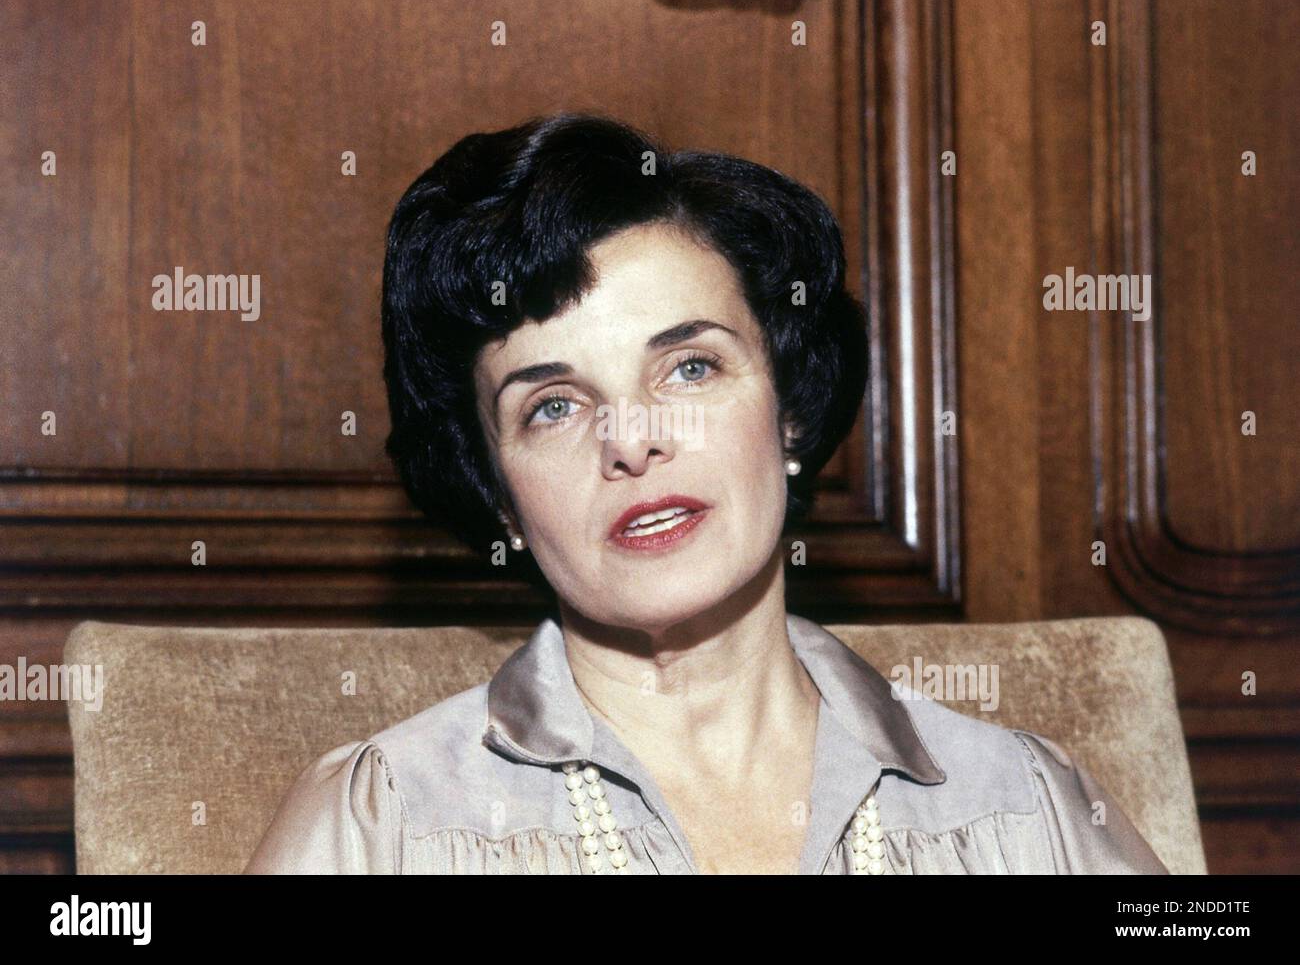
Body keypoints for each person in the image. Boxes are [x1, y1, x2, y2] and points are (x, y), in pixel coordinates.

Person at [244, 112, 1168, 875]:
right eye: (554, 404)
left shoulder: (1029, 807)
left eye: (689, 367)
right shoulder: (382, 829)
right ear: (497, 495)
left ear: (789, 411)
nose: (633, 439)